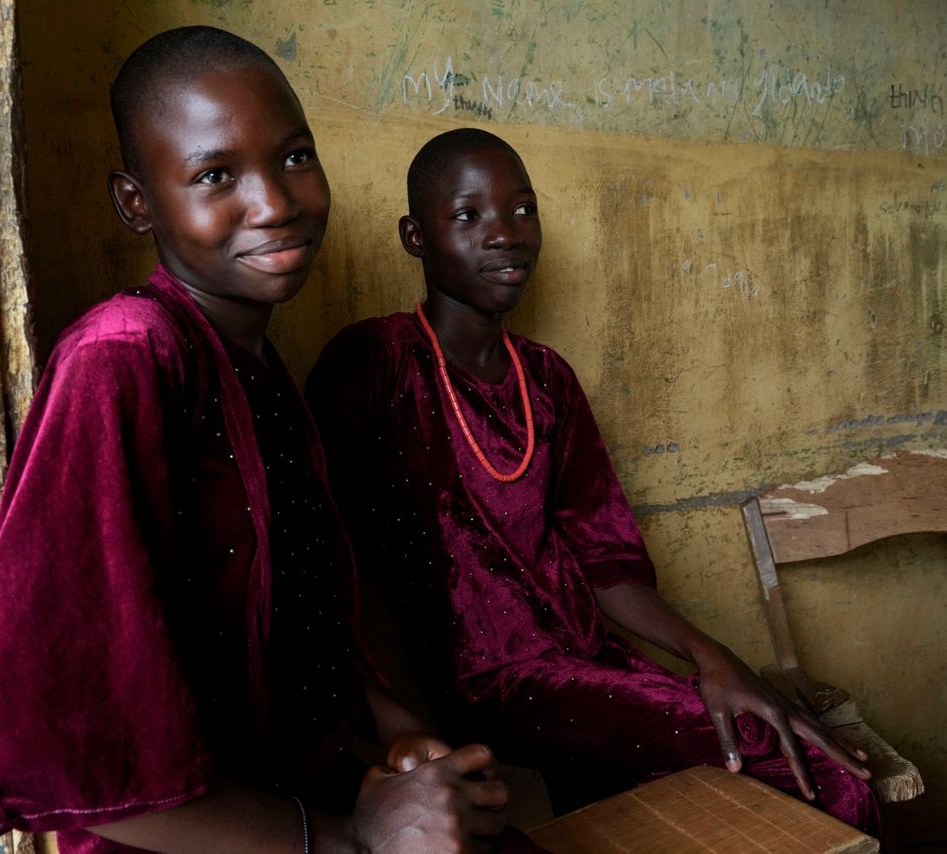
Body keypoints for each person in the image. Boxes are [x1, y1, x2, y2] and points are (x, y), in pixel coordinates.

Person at [0, 31, 514, 854]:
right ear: (137, 203)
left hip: (307, 792)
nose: (276, 202)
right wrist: (353, 836)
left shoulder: (260, 366)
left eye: (296, 157)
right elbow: (67, 753)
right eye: (216, 175)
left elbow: (298, 625)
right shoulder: (125, 357)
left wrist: (401, 743)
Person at [304, 128, 880, 833]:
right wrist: (406, 725)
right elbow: (334, 564)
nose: (506, 235)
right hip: (484, 685)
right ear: (414, 236)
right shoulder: (374, 363)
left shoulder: (545, 378)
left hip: (583, 665)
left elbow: (605, 566)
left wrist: (712, 659)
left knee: (797, 754)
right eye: (468, 216)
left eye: (523, 210)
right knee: (819, 779)